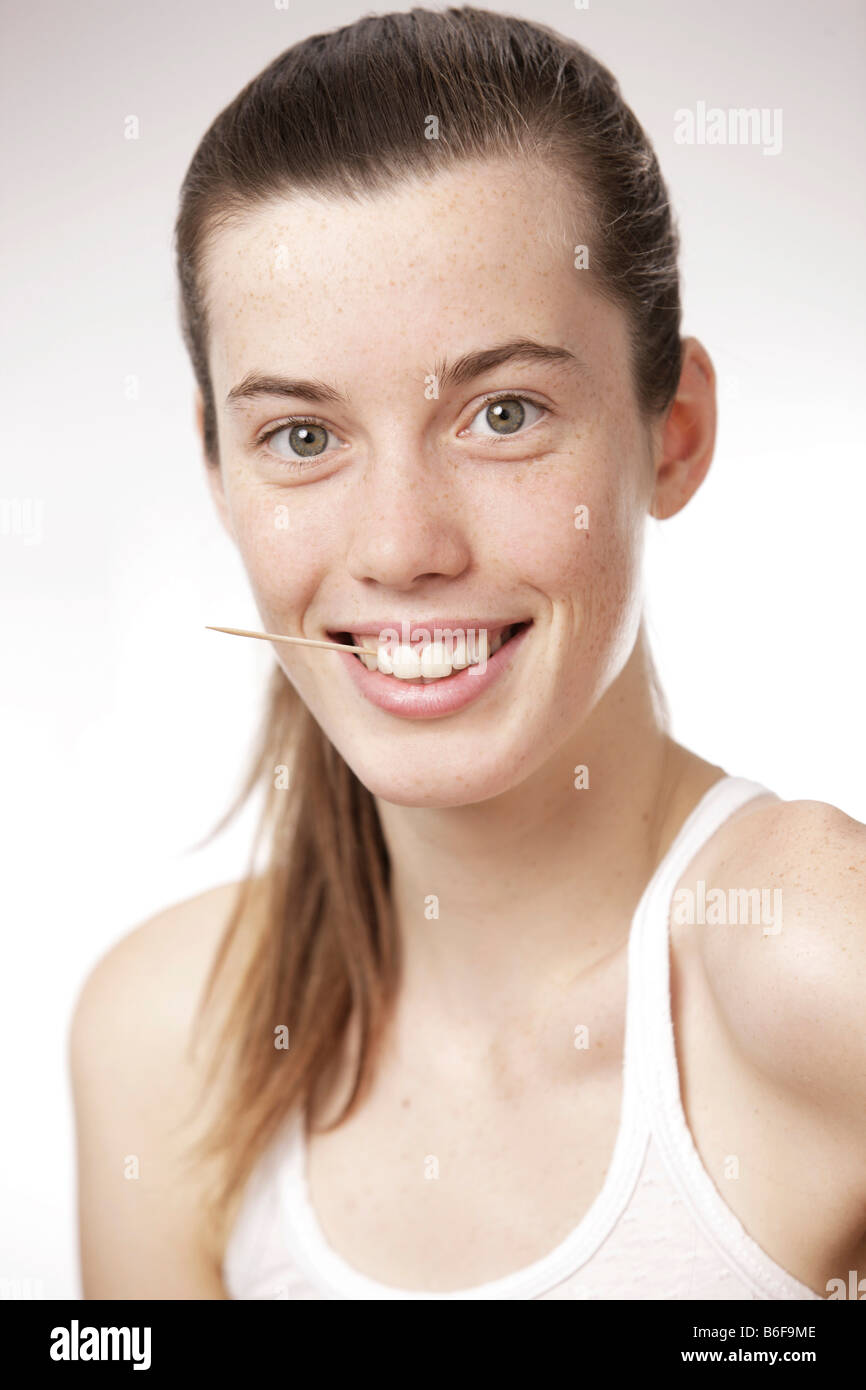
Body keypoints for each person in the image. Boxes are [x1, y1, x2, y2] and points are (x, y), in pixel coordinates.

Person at [70, 6, 865, 1300]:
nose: (399, 545)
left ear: (672, 436)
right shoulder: (162, 1035)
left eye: (502, 412)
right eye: (301, 436)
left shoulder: (818, 959)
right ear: (216, 471)